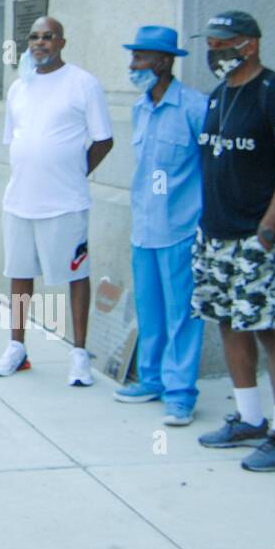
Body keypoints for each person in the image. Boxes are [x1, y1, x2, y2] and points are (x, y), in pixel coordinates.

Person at [191, 12, 275, 471]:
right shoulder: (219, 95)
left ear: (251, 45)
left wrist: (267, 232)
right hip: (215, 235)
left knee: (269, 326)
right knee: (228, 321)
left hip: (259, 238)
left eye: (224, 42)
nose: (215, 51)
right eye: (211, 42)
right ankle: (249, 418)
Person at [0, 15, 114, 386]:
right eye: (34, 37)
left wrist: (74, 172)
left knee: (76, 274)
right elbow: (17, 142)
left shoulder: (83, 84)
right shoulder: (19, 87)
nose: (39, 43)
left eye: (48, 37)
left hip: (66, 203)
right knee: (19, 275)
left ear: (61, 42)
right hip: (20, 200)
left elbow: (104, 140)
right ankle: (17, 347)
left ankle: (79, 354)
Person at [117, 25, 208, 426]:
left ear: (164, 62)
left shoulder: (194, 107)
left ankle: (181, 393)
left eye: (140, 58)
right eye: (133, 57)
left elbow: (212, 167)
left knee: (183, 315)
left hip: (182, 227)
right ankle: (151, 379)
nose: (133, 66)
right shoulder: (140, 108)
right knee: (149, 309)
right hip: (145, 227)